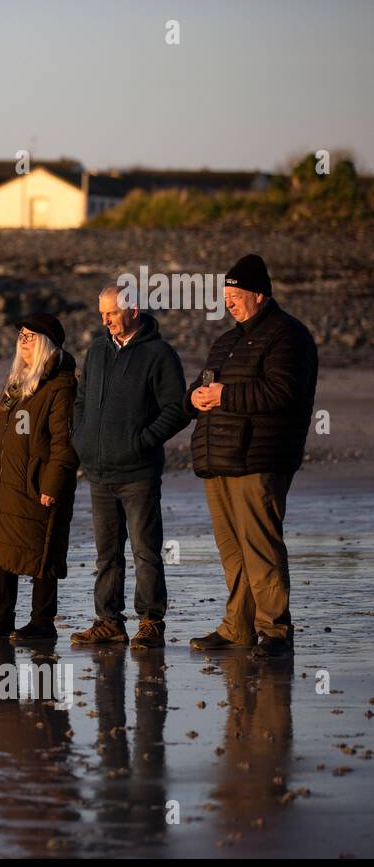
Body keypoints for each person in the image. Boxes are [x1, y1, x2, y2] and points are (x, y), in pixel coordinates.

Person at [185, 254, 318, 657]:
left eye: (236, 294)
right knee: (233, 552)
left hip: (260, 458)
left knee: (260, 546)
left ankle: (274, 632)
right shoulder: (226, 341)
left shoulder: (287, 335)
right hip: (218, 459)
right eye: (225, 294)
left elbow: (282, 392)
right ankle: (237, 628)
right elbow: (203, 386)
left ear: (259, 295)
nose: (229, 301)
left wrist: (225, 395)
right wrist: (192, 397)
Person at [69, 284, 189, 649]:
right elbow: (81, 399)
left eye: (112, 314)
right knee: (106, 553)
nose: (105, 321)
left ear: (133, 310)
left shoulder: (160, 354)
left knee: (145, 550)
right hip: (99, 471)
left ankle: (151, 621)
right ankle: (109, 622)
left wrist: (141, 441)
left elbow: (177, 409)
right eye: (102, 314)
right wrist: (82, 438)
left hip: (138, 473)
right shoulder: (98, 350)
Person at [0, 312, 79, 642]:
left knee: (43, 549)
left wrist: (52, 484)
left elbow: (65, 442)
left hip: (38, 483)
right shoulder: (17, 382)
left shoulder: (61, 386)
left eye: (30, 337)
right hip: (6, 480)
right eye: (21, 337)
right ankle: (1, 617)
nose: (23, 343)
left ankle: (42, 623)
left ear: (46, 344)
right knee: (3, 547)